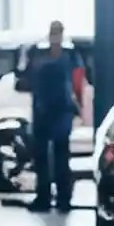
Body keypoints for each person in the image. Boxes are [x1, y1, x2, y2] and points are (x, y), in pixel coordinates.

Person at [26, 20, 85, 213]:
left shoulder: (68, 55)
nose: (55, 36)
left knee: (59, 156)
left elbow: (78, 82)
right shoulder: (41, 54)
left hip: (58, 111)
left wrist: (79, 105)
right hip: (45, 111)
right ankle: (48, 198)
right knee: (43, 157)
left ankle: (61, 198)